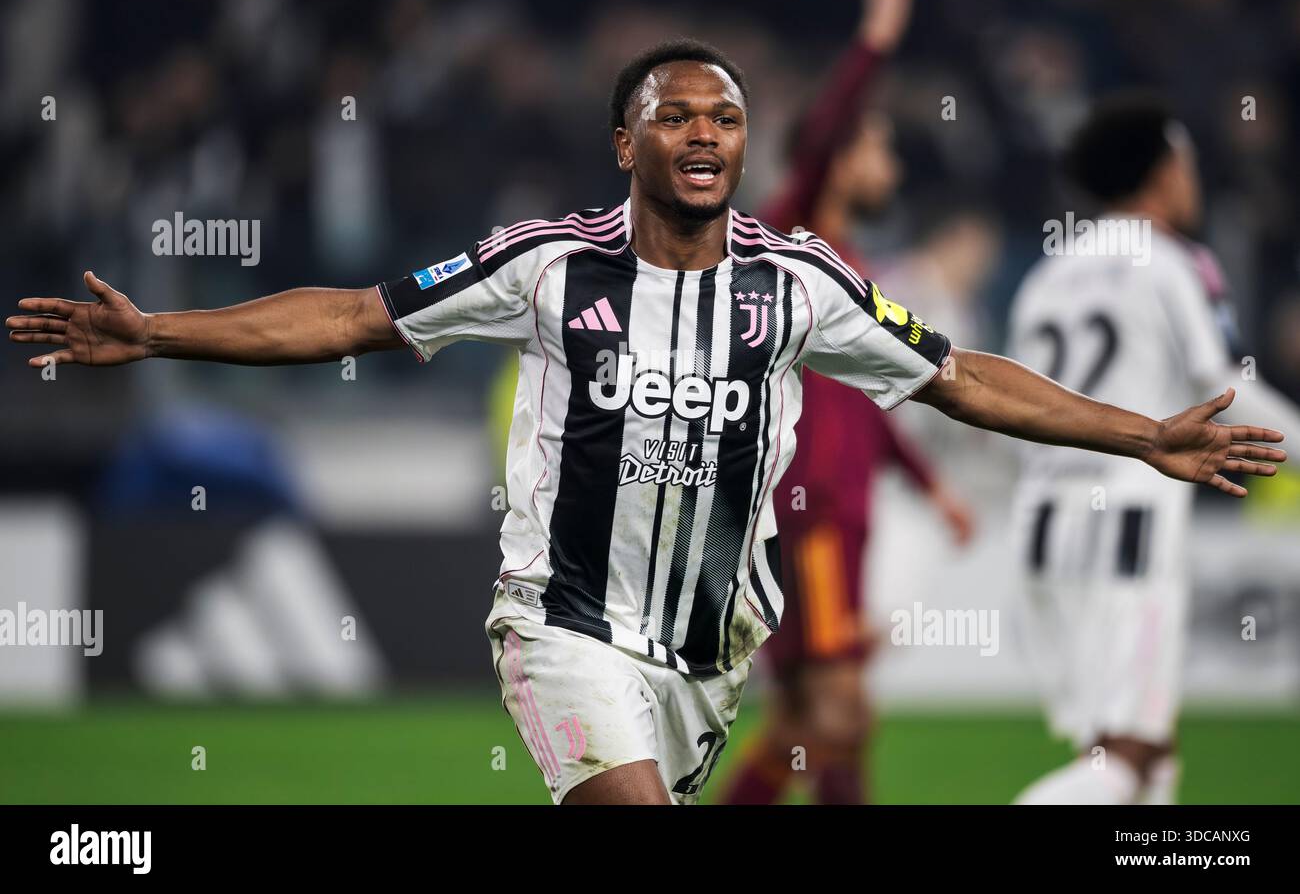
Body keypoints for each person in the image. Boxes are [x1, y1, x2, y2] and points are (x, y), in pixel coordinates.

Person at [8, 46, 1286, 806]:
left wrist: (1140, 436)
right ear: (625, 138)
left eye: (725, 119)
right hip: (561, 626)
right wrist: (160, 329)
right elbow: (347, 314)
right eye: (675, 115)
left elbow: (958, 375)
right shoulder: (547, 264)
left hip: (707, 653)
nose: (703, 136)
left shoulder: (797, 285)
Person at [722, 0, 973, 807]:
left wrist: (929, 484)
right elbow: (825, 129)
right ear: (836, 161)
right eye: (879, 148)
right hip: (814, 515)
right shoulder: (787, 237)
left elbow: (870, 404)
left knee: (807, 718)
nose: (889, 164)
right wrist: (880, 29)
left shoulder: (849, 270)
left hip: (832, 513)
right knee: (837, 713)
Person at [1007, 93, 1300, 804]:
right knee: (1129, 755)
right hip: (1128, 516)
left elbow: (1013, 403)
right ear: (1164, 173)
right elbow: (1221, 387)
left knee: (1138, 754)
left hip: (1042, 519)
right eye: (1187, 165)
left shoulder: (1045, 277)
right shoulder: (1172, 261)